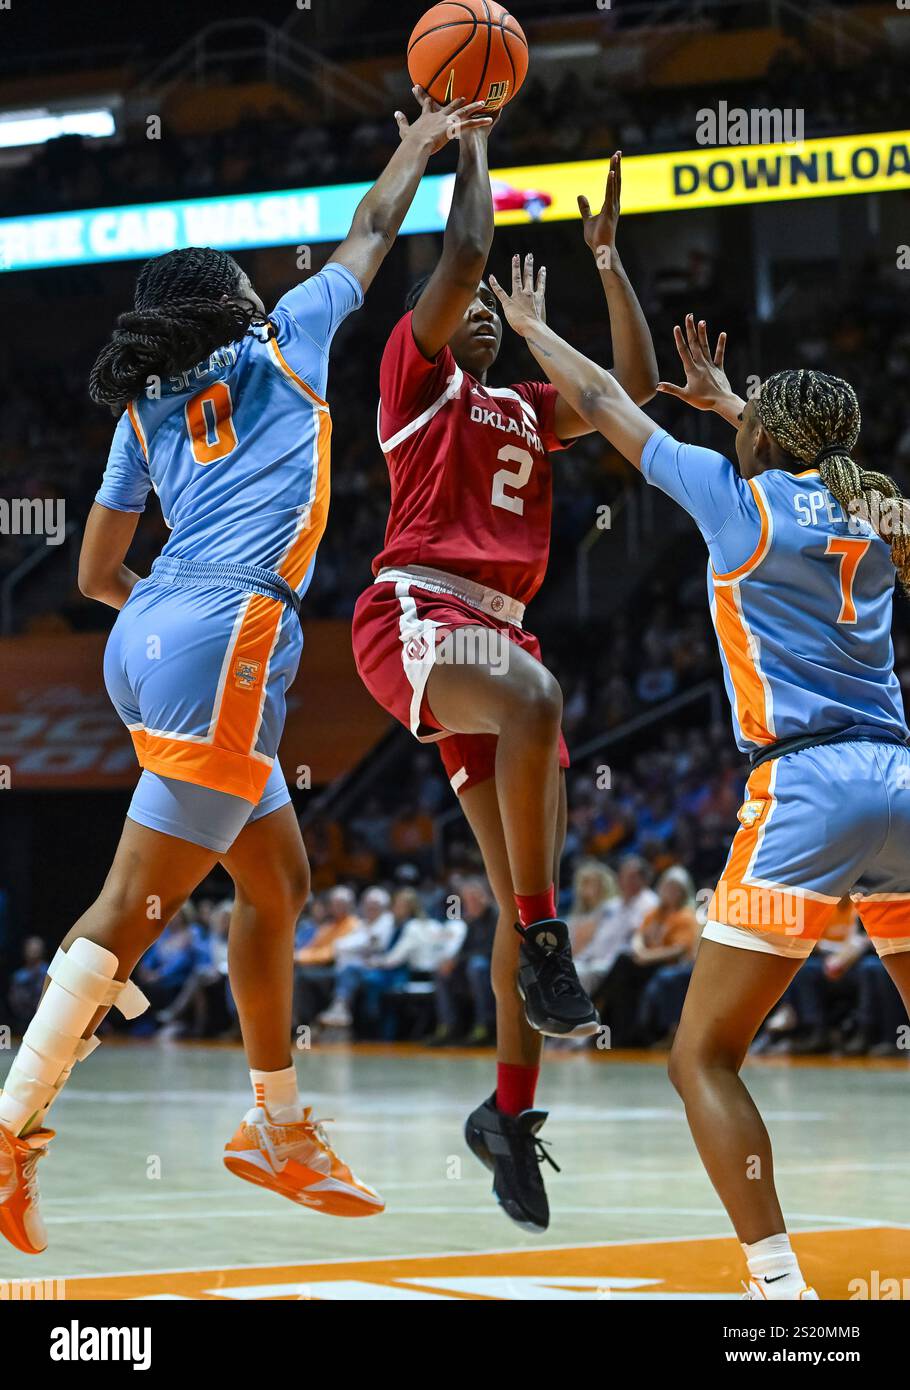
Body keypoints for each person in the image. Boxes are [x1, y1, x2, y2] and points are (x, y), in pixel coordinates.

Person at [0, 90, 494, 1256]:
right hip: (228, 634)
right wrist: (423, 144)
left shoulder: (143, 400)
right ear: (234, 304)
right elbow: (377, 233)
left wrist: (169, 622)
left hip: (149, 631)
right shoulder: (287, 336)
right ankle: (11, 1124)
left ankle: (275, 1126)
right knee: (134, 903)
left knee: (277, 881)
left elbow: (94, 567)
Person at [489, 259, 910, 1298]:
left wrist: (534, 326)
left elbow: (598, 401)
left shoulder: (734, 502)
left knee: (702, 1056)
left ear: (757, 440)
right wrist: (737, 404)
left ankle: (778, 1289)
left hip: (808, 794)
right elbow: (814, 471)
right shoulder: (882, 514)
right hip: (901, 782)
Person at [351, 142, 658, 1229]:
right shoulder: (413, 380)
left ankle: (507, 1117)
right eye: (464, 297)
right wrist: (472, 135)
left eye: (491, 305)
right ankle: (543, 943)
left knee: (521, 871)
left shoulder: (529, 403)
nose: (478, 303)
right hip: (416, 610)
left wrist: (607, 264)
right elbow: (471, 241)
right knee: (534, 704)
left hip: (500, 634)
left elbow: (632, 393)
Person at [432, 877, 497, 1046]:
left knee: (477, 966)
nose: (471, 904)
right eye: (467, 900)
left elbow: (492, 949)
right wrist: (451, 961)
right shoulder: (471, 922)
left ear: (485, 896)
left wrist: (460, 960)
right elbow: (464, 950)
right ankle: (449, 1026)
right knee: (442, 971)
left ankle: (484, 1026)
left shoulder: (497, 916)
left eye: (474, 898)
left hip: (495, 968)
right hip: (471, 968)